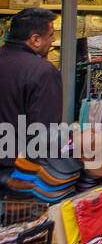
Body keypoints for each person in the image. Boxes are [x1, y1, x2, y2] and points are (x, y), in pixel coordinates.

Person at [0, 9, 62, 170]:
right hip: (16, 171)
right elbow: (44, 132)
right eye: (50, 35)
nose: (53, 40)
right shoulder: (43, 72)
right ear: (35, 39)